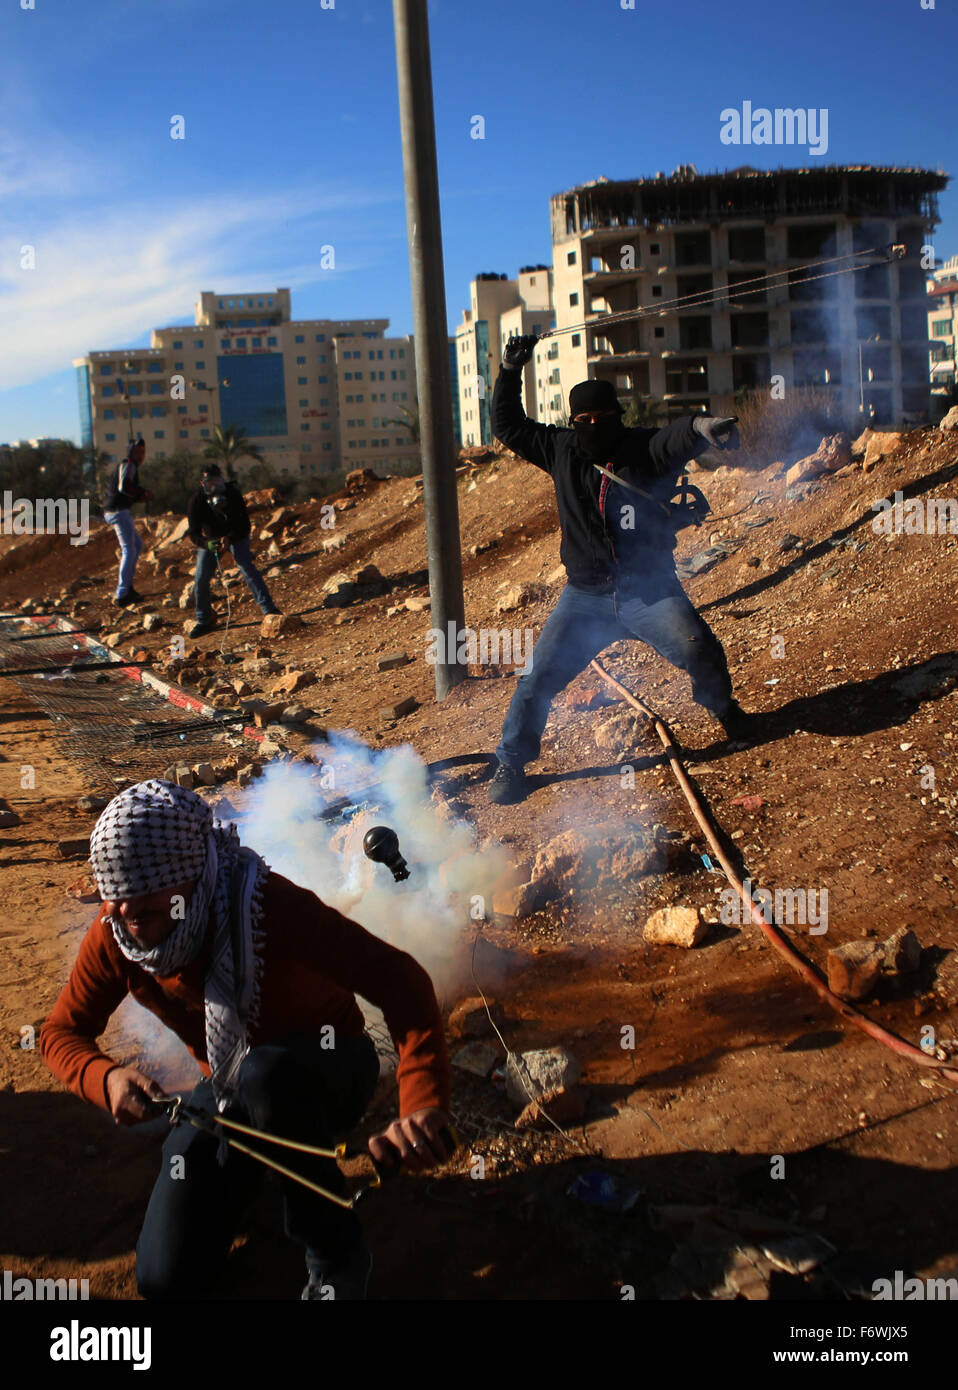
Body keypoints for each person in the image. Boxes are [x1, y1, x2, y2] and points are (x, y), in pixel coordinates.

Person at [40, 779, 453, 1301]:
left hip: (330, 1066)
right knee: (165, 1277)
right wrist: (104, 1078)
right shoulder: (117, 934)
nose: (123, 915)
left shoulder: (268, 907)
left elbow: (400, 981)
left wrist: (421, 1102)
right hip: (232, 1088)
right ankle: (262, 1169)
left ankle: (336, 1257)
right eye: (114, 897)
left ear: (189, 877)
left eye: (141, 901)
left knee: (267, 1074)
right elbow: (60, 1032)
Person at [487, 334, 750, 805]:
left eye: (602, 419)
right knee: (536, 680)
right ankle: (510, 761)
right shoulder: (561, 450)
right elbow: (508, 424)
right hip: (583, 597)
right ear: (572, 422)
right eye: (583, 420)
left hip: (647, 592)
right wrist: (510, 370)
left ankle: (727, 712)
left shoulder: (639, 449)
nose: (592, 426)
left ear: (618, 418)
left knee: (698, 648)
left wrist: (698, 425)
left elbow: (673, 438)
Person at [186, 463, 280, 638]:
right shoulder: (196, 501)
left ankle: (269, 609)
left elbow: (244, 524)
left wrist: (230, 537)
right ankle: (204, 619)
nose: (215, 486)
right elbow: (193, 533)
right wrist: (207, 544)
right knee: (201, 578)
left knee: (246, 567)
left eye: (218, 481)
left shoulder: (233, 494)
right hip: (211, 540)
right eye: (210, 482)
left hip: (236, 536)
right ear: (203, 483)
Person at [102, 437, 152, 608]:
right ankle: (122, 593)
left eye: (142, 452)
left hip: (117, 510)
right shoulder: (129, 465)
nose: (140, 456)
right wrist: (142, 493)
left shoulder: (129, 466)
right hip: (118, 510)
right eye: (137, 452)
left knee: (137, 546)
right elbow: (125, 487)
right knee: (129, 549)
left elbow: (126, 490)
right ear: (131, 452)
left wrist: (139, 496)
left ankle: (128, 587)